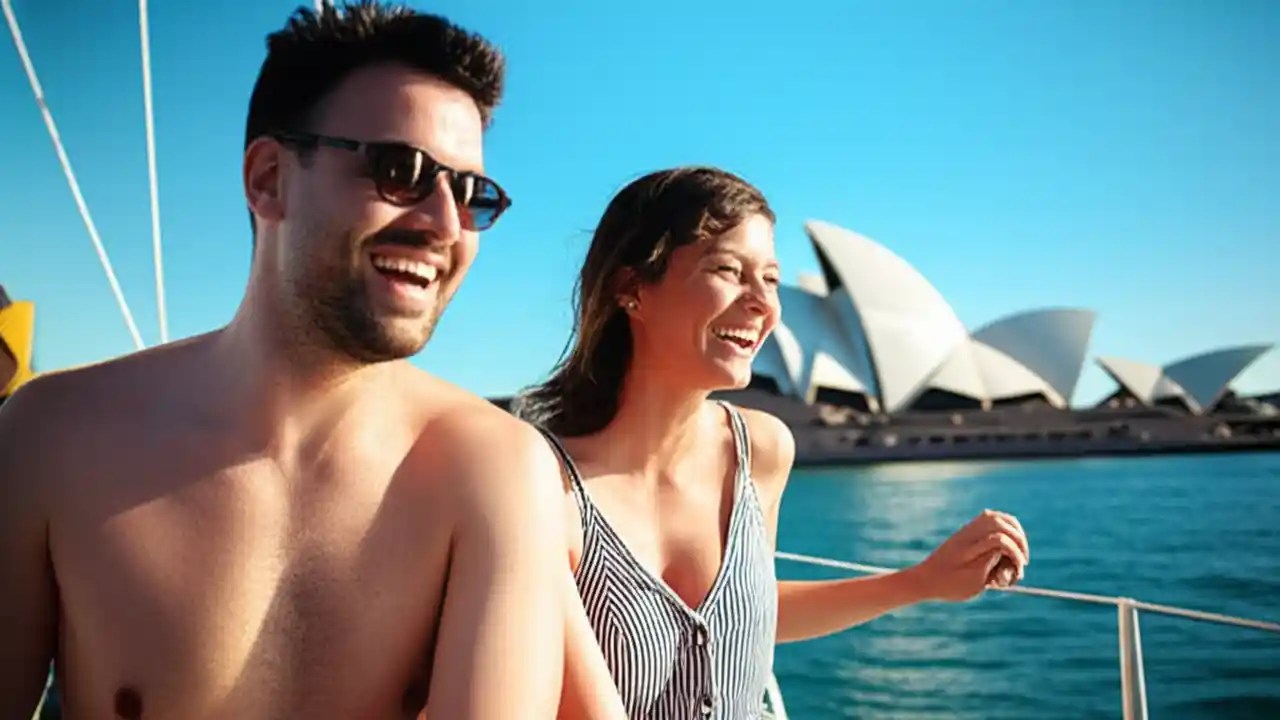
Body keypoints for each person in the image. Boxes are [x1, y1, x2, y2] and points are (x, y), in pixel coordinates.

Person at [0, 3, 574, 718]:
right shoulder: (51, 437)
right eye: (401, 170)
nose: (444, 224)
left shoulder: (496, 469)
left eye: (472, 193)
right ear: (269, 178)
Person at [515, 166, 1031, 719]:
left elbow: (755, 616)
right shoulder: (544, 485)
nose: (764, 304)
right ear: (631, 289)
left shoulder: (760, 450)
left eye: (772, 278)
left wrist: (921, 582)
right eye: (728, 270)